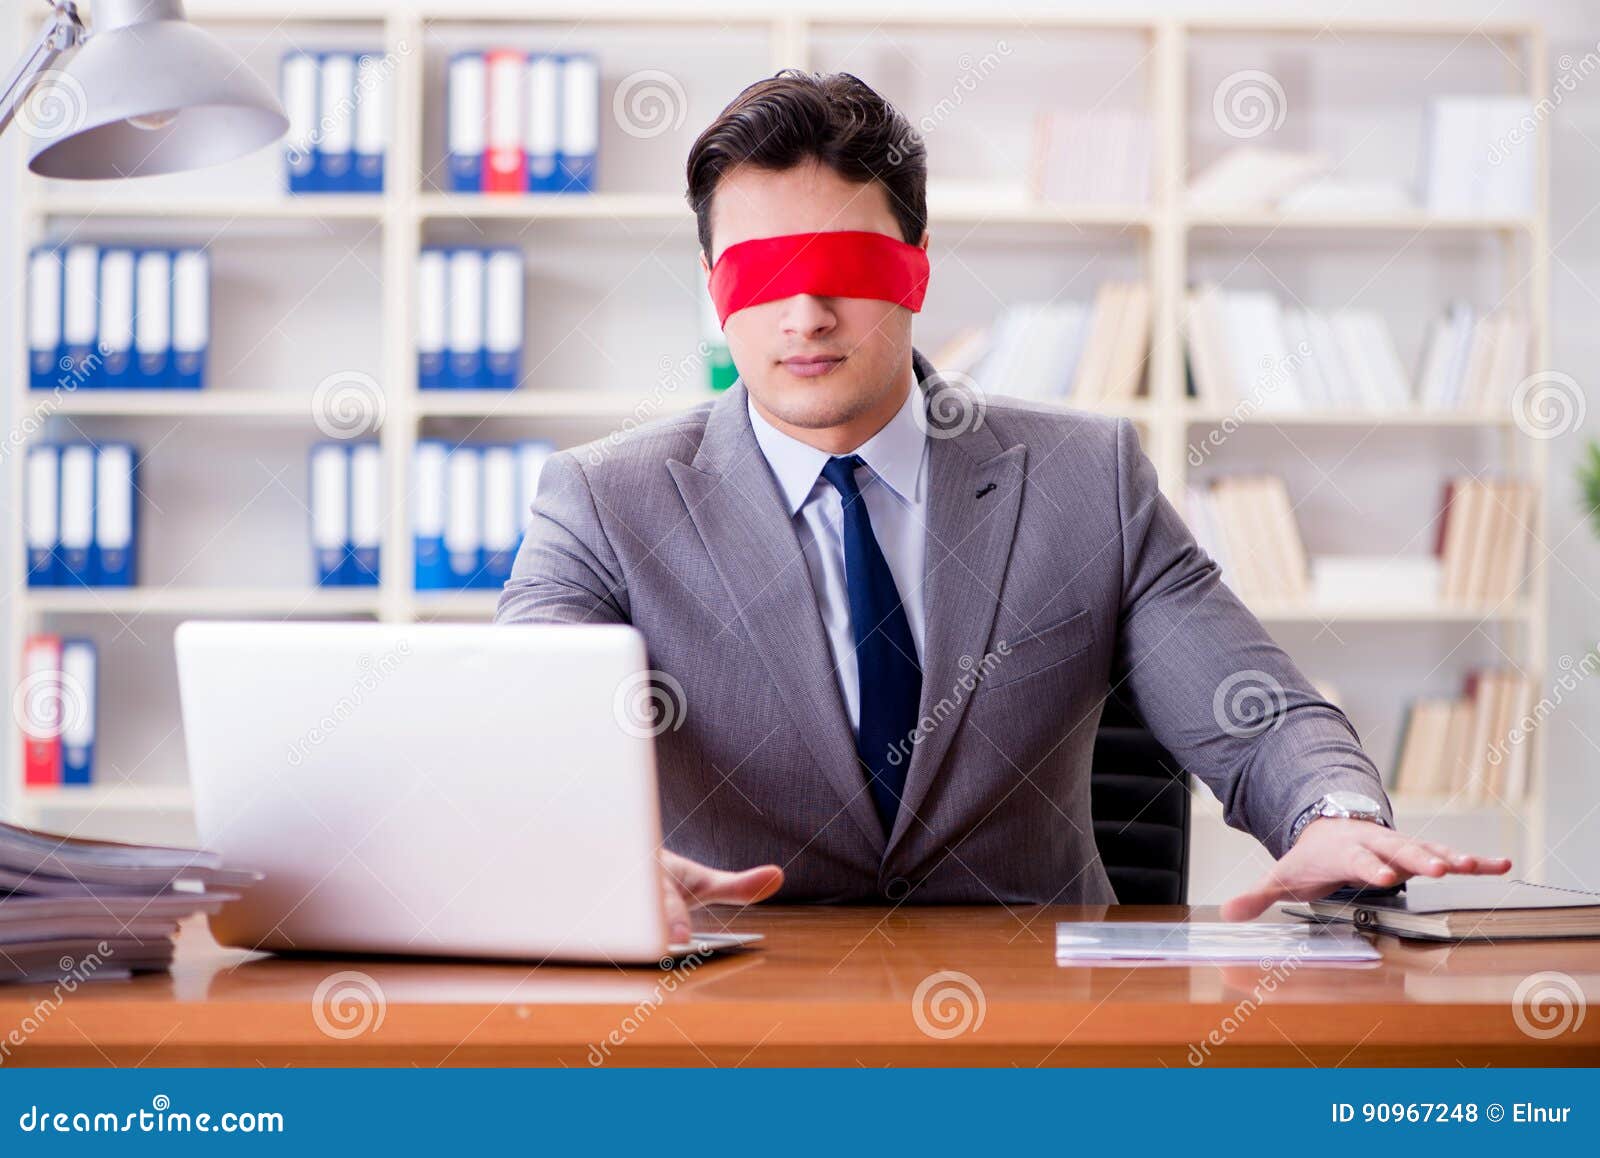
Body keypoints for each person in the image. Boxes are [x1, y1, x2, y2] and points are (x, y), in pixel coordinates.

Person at [496, 70, 1509, 943]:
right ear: (712, 285)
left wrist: (1332, 815)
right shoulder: (604, 502)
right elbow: (523, 735)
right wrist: (591, 855)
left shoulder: (1086, 477)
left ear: (916, 266)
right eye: (761, 273)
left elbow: (1254, 710)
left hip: (1042, 1017)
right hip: (737, 1014)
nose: (804, 314)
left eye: (843, 267)